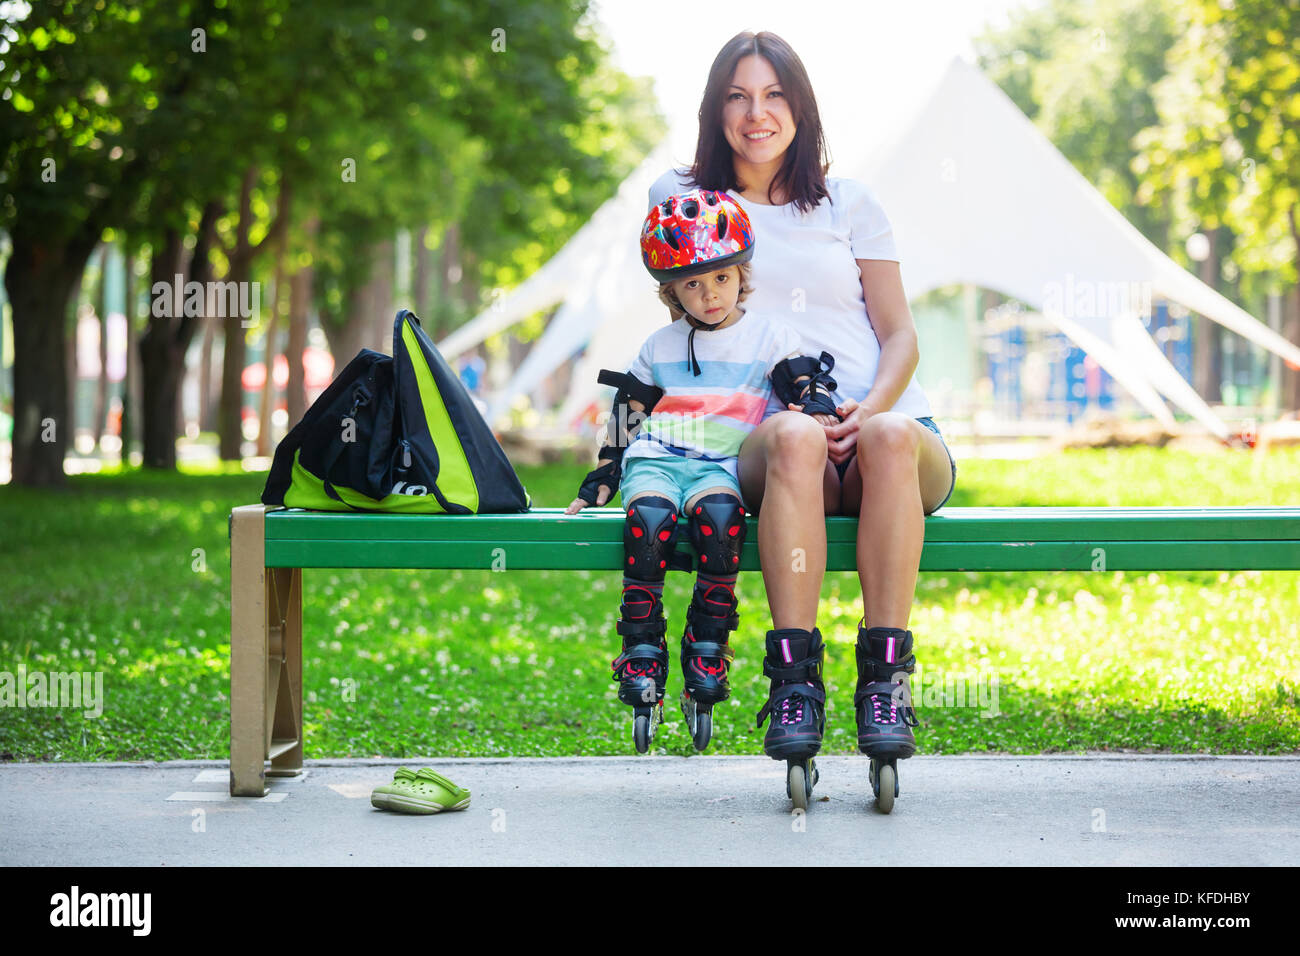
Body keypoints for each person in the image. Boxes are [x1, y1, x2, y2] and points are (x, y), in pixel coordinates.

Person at [644, 31, 958, 809]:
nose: (758, 114)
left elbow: (901, 334)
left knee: (888, 437)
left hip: (887, 430)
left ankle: (885, 685)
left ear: (801, 106)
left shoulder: (850, 202)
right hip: (779, 445)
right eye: (739, 97)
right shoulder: (683, 198)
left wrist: (872, 405)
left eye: (775, 95)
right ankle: (794, 683)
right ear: (716, 110)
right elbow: (677, 322)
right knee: (793, 430)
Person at [565, 188, 839, 755]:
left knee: (719, 521)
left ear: (742, 273)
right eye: (692, 284)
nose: (709, 294)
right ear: (671, 291)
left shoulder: (771, 337)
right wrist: (601, 479)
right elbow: (628, 417)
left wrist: (814, 403)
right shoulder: (659, 346)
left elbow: (804, 386)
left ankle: (706, 644)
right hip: (658, 464)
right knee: (647, 522)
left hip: (720, 468)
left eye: (720, 278)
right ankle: (642, 649)